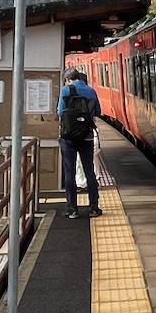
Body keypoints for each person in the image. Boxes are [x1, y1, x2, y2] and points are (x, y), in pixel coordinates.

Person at [57, 65, 102, 220]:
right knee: (89, 171)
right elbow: (97, 112)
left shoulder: (65, 91)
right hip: (87, 136)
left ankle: (72, 209)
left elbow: (59, 112)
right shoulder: (91, 91)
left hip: (68, 138)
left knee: (70, 172)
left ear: (67, 79)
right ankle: (94, 208)